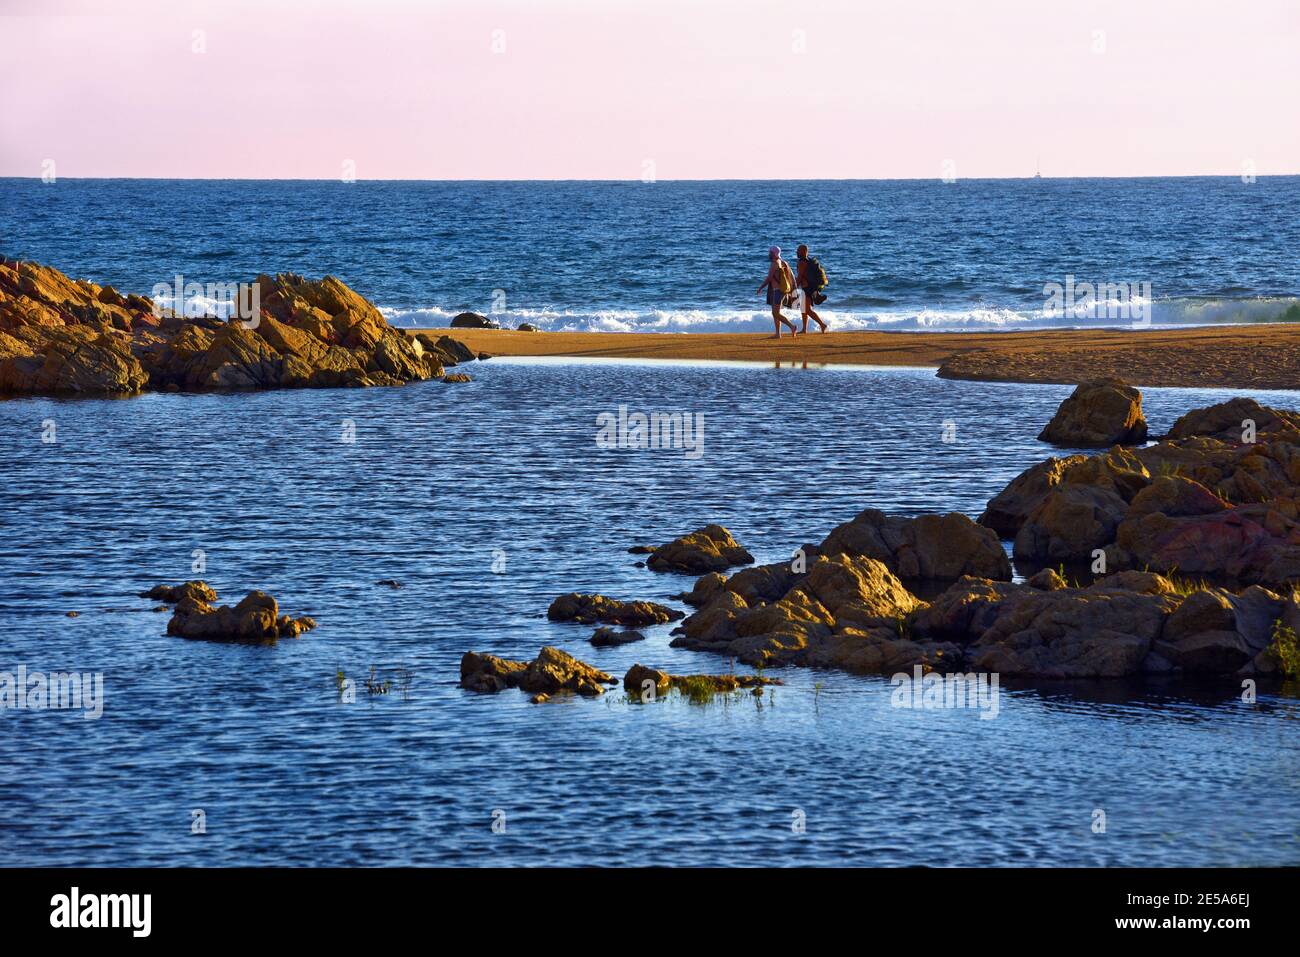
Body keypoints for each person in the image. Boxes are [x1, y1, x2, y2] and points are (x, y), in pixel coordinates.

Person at [757, 245, 798, 338]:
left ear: (773, 253)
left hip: (777, 291)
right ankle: (778, 334)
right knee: (776, 312)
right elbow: (790, 278)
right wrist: (792, 290)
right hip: (783, 290)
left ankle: (792, 326)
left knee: (775, 313)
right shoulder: (784, 262)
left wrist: (761, 288)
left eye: (770, 252)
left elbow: (769, 278)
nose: (769, 254)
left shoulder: (774, 263)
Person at [795, 244, 827, 334]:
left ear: (804, 251)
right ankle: (804, 329)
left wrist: (794, 287)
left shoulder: (801, 262)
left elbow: (800, 276)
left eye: (798, 250)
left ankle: (822, 324)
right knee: (803, 308)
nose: (796, 252)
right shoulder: (809, 260)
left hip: (806, 288)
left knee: (807, 309)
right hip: (811, 287)